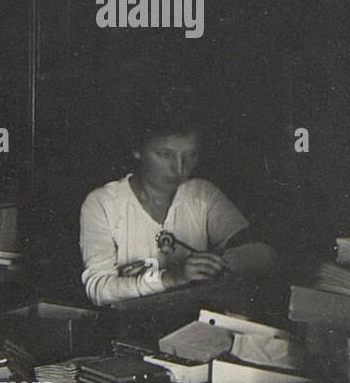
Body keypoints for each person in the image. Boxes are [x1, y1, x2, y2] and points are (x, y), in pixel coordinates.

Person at [79, 105, 277, 306]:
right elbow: (99, 290)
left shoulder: (202, 194)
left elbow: (264, 254)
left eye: (190, 155)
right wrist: (171, 276)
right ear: (136, 150)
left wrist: (210, 265)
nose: (179, 168)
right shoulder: (102, 203)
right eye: (165, 155)